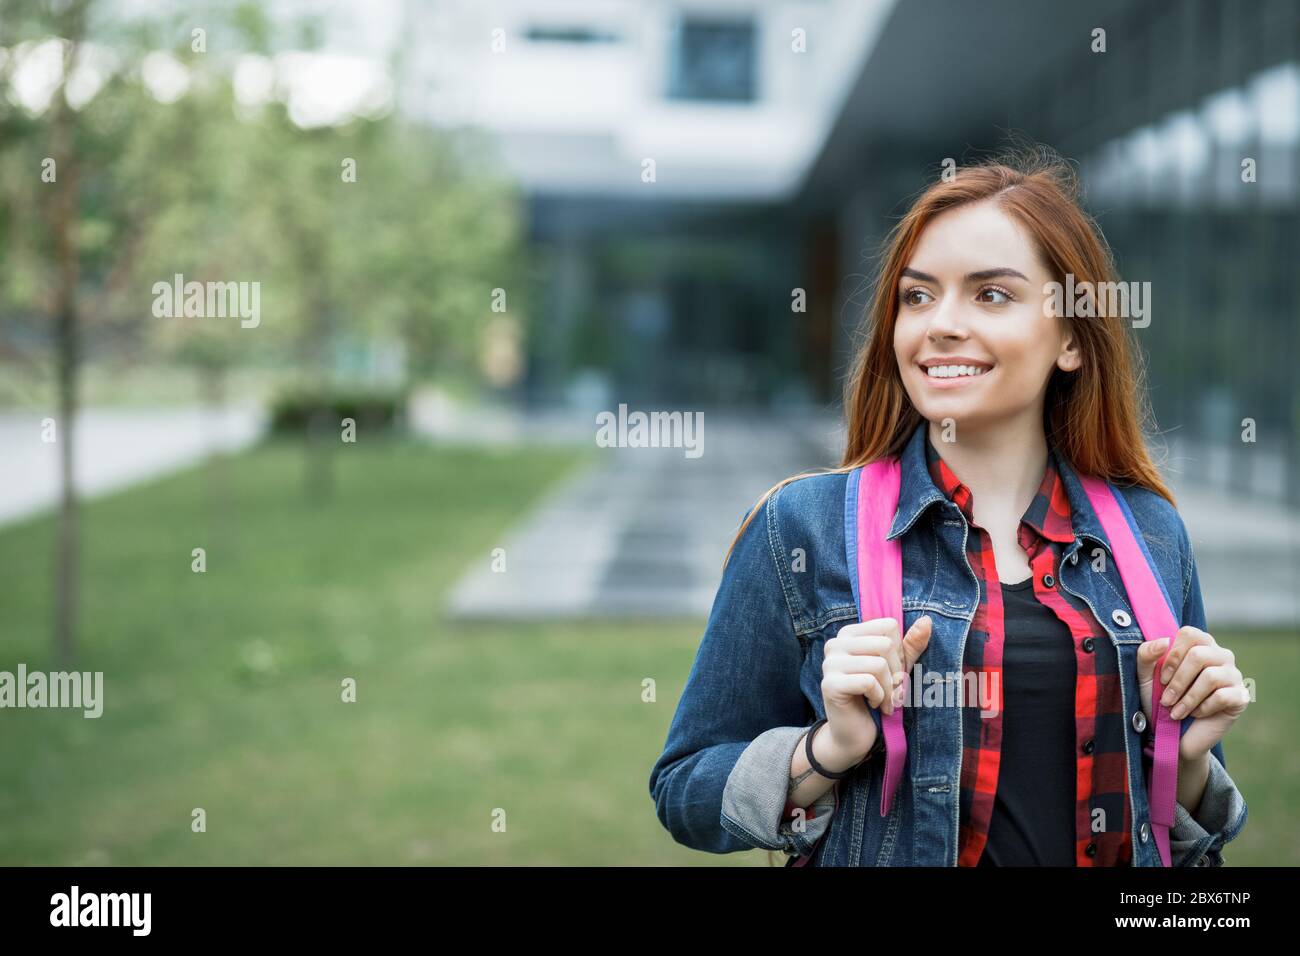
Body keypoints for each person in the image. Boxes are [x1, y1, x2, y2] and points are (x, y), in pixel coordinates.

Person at [647, 145, 1249, 866]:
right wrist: (827, 750)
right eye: (918, 295)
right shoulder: (799, 528)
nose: (941, 324)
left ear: (1070, 339)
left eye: (991, 295)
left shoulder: (1152, 534)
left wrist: (1184, 760)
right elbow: (685, 790)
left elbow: (1182, 847)